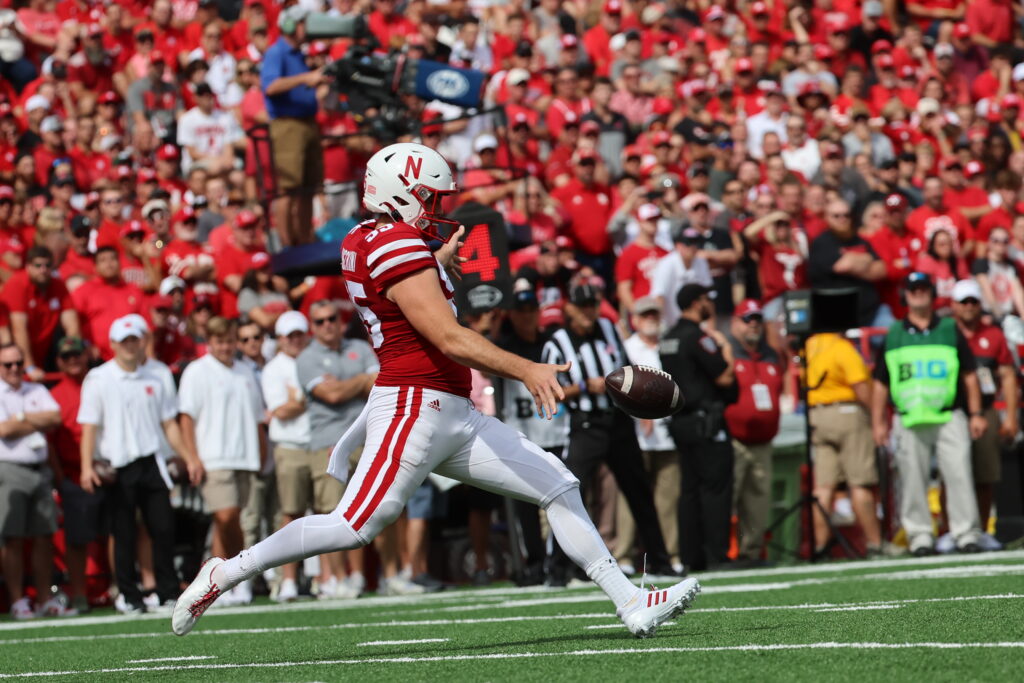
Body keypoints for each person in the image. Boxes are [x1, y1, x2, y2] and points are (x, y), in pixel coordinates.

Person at [174, 142, 700, 639]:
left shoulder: (369, 238)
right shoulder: (397, 243)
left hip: (450, 410)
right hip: (416, 405)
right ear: (400, 192)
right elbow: (446, 336)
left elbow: (404, 300)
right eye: (430, 196)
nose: (436, 208)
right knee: (354, 525)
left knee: (558, 484)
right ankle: (225, 571)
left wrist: (435, 266)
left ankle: (630, 600)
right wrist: (527, 368)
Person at [542, 282, 677, 581]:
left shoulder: (608, 328)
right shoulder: (557, 342)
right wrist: (583, 387)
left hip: (617, 422)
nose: (590, 311)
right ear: (570, 309)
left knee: (639, 491)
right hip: (585, 424)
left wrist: (640, 407)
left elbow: (628, 372)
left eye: (593, 304)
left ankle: (659, 560)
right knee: (568, 492)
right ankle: (556, 569)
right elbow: (549, 388)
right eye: (583, 306)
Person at [79, 317, 203, 614]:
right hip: (118, 464)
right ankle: (128, 594)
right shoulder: (99, 378)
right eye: (124, 341)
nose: (130, 346)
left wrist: (189, 457)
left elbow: (169, 424)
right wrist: (86, 467)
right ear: (112, 345)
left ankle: (167, 592)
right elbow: (89, 427)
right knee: (123, 532)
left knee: (163, 527)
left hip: (152, 461)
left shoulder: (155, 375)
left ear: (141, 341)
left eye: (134, 339)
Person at [871, 272, 986, 556]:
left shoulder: (949, 328)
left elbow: (970, 376)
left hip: (949, 414)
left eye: (923, 289)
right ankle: (920, 536)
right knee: (911, 479)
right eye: (913, 289)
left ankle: (966, 533)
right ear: (905, 295)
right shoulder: (894, 333)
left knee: (959, 475)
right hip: (909, 416)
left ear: (933, 294)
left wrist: (976, 413)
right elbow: (880, 383)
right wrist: (878, 422)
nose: (918, 294)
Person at [178, 316, 266, 606]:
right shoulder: (196, 371)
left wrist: (262, 454)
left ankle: (217, 584)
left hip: (246, 456)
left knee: (227, 522)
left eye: (229, 341)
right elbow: (187, 417)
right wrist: (192, 457)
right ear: (209, 343)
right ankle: (239, 577)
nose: (226, 347)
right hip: (213, 456)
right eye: (220, 341)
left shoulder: (245, 372)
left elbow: (256, 419)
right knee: (226, 517)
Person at [295, 300, 381, 597]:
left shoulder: (359, 347)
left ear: (340, 320)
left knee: (369, 508)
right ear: (312, 326)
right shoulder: (306, 358)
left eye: (332, 318)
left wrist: (347, 385)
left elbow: (380, 384)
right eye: (320, 321)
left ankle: (359, 576)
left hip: (365, 437)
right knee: (333, 512)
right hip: (327, 442)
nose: (327, 324)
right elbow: (330, 395)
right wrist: (360, 381)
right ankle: (337, 578)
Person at [494, 285, 569, 585]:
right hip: (522, 435)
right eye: (520, 312)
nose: (526, 317)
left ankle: (559, 563)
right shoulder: (504, 347)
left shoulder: (552, 344)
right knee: (525, 507)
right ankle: (535, 564)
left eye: (531, 311)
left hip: (556, 431)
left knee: (563, 501)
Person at [659, 284, 738, 571]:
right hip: (707, 421)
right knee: (715, 488)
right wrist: (726, 349)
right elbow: (724, 378)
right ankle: (717, 554)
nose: (710, 303)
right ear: (695, 303)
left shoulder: (667, 338)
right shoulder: (698, 337)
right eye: (706, 299)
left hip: (681, 422)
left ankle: (692, 556)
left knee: (689, 490)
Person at [0, 343, 71, 619]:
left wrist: (19, 419)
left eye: (19, 362)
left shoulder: (37, 389)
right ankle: (18, 600)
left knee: (44, 536)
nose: (16, 368)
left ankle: (44, 598)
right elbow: (3, 429)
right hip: (9, 468)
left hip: (39, 468)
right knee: (12, 537)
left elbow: (55, 417)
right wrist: (32, 420)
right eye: (8, 365)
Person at [615, 297, 681, 574]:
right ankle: (624, 556)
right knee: (633, 496)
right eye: (645, 315)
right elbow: (619, 388)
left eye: (655, 313)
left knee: (667, 498)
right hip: (638, 434)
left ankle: (669, 554)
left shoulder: (671, 344)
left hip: (669, 432)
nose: (651, 319)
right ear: (636, 320)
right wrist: (641, 414)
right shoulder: (628, 348)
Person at [805, 325, 882, 558]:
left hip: (816, 416)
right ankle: (875, 543)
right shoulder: (842, 348)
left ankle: (820, 547)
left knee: (823, 487)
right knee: (859, 483)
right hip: (847, 414)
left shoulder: (810, 346)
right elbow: (860, 385)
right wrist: (876, 417)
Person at [950, 279, 1019, 539]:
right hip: (953, 410)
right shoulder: (945, 332)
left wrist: (1011, 417)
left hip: (986, 409)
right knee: (952, 475)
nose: (969, 306)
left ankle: (979, 530)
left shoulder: (992, 335)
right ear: (952, 304)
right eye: (963, 301)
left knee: (985, 474)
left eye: (973, 301)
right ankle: (950, 531)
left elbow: (1008, 377)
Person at [260, 4, 326, 246]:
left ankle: (305, 240)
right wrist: (306, 78)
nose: (305, 28)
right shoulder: (276, 53)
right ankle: (287, 244)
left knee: (309, 187)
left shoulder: (299, 54)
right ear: (289, 25)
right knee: (288, 188)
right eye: (301, 23)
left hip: (307, 123)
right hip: (288, 126)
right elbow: (271, 86)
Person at [724, 300, 783, 566]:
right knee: (729, 496)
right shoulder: (728, 352)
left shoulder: (771, 354)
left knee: (758, 499)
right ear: (735, 323)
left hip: (763, 441)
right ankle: (721, 552)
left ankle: (751, 552)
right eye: (747, 319)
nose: (753, 324)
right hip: (734, 440)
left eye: (757, 319)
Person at [47, 337, 100, 614]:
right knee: (77, 538)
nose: (73, 360)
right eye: (66, 357)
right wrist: (60, 479)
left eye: (76, 355)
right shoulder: (54, 395)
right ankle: (79, 593)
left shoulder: (100, 382)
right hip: (73, 473)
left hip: (104, 470)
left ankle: (120, 589)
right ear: (58, 362)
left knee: (118, 532)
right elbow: (51, 444)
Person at [1, 245, 79, 380]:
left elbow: (71, 324)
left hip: (45, 351)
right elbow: (19, 329)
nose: (43, 270)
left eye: (47, 265)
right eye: (38, 265)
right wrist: (28, 366)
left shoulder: (58, 285)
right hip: (21, 356)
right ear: (28, 266)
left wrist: (74, 357)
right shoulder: (17, 284)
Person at [808, 198, 887, 327]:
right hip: (836, 317)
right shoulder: (822, 243)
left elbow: (881, 269)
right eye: (836, 216)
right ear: (826, 218)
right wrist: (866, 260)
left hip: (871, 313)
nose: (842, 219)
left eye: (846, 215)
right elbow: (843, 266)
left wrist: (853, 260)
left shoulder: (860, 240)